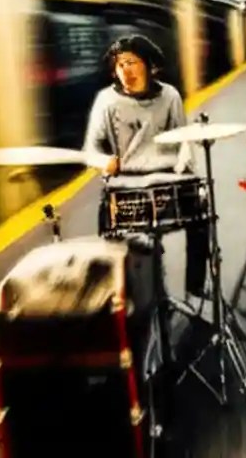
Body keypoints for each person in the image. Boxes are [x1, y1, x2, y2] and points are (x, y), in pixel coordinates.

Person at [82, 34, 208, 297]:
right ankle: (124, 293)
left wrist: (185, 160)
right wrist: (104, 161)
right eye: (120, 65)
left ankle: (195, 288)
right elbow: (90, 152)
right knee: (109, 229)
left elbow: (184, 137)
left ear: (150, 66)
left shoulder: (170, 96)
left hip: (167, 179)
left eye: (132, 62)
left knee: (200, 213)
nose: (125, 71)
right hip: (127, 183)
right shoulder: (106, 101)